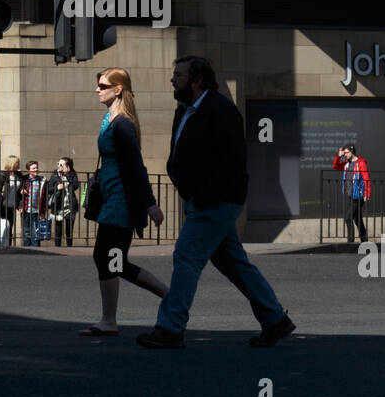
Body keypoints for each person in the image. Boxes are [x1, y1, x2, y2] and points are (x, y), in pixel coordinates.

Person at [137, 57, 294, 349]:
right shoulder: (184, 110)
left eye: (178, 76)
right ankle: (275, 319)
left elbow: (233, 162)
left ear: (197, 81)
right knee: (233, 263)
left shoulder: (221, 110)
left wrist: (207, 195)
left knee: (186, 256)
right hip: (203, 199)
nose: (173, 80)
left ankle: (170, 328)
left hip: (215, 201)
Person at [80, 68, 169, 335]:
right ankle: (171, 299)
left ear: (118, 90)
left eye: (102, 85)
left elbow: (135, 166)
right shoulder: (109, 119)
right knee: (114, 260)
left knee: (107, 256)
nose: (97, 89)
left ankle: (111, 320)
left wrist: (150, 203)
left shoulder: (122, 125)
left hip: (121, 202)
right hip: (111, 199)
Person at [338, 144, 371, 244]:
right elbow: (335, 165)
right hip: (350, 194)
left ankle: (350, 240)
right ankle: (364, 240)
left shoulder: (360, 163)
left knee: (348, 218)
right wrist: (339, 156)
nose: (345, 155)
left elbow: (366, 178)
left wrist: (366, 193)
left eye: (347, 152)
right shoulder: (347, 163)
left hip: (359, 195)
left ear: (352, 152)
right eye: (344, 153)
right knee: (357, 219)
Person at [48, 157, 81, 247]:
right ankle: (57, 247)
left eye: (61, 164)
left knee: (69, 230)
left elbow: (75, 186)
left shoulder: (72, 174)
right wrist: (57, 188)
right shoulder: (55, 175)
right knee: (58, 230)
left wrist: (67, 175)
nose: (59, 166)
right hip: (59, 205)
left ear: (67, 166)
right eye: (58, 163)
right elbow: (49, 189)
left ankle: (69, 248)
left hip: (70, 206)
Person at [20, 160, 46, 246]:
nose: (36, 169)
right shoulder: (24, 180)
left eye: (37, 167)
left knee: (36, 231)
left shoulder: (42, 180)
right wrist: (21, 191)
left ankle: (36, 248)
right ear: (28, 170)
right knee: (26, 231)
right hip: (26, 209)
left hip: (37, 210)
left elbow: (45, 197)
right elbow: (18, 195)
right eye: (33, 168)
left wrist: (43, 212)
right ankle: (27, 248)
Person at [0, 156, 23, 246]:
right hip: (3, 205)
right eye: (17, 163)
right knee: (4, 226)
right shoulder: (3, 175)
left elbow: (21, 187)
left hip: (13, 205)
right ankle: (1, 244)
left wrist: (22, 190)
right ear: (11, 163)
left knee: (10, 227)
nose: (18, 164)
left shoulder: (19, 175)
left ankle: (8, 245)